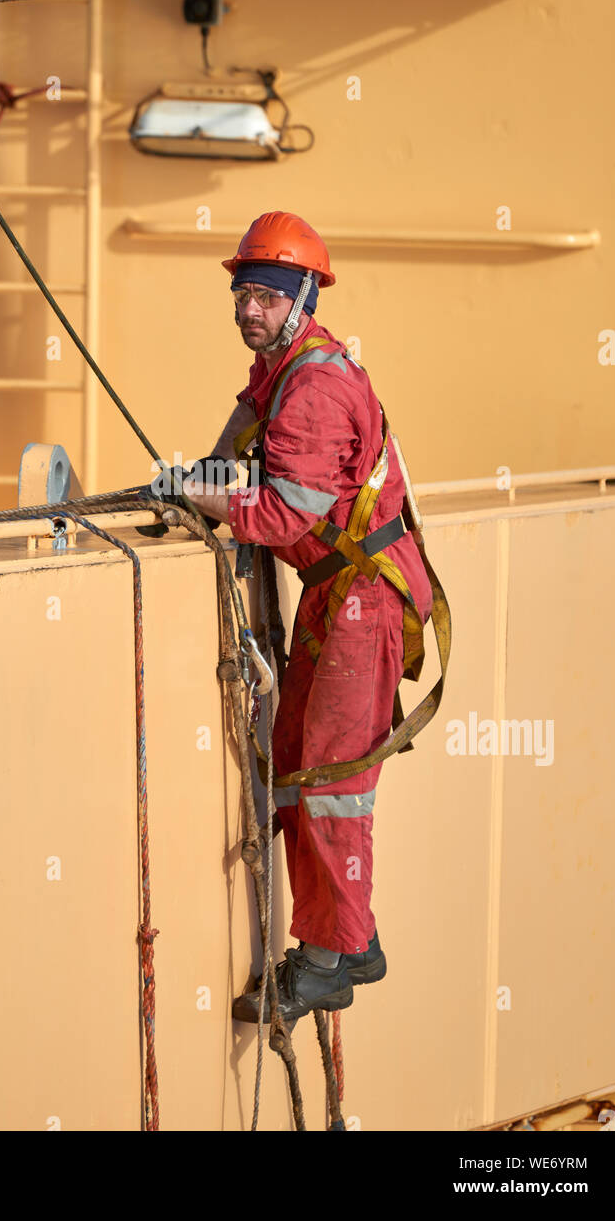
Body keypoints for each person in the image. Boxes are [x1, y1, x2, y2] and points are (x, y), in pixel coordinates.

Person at [181, 210, 434, 1023]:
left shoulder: (319, 386)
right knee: (299, 759)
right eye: (240, 292)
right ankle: (350, 939)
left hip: (363, 600)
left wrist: (190, 492)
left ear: (300, 300)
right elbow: (246, 419)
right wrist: (201, 471)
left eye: (263, 294)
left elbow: (286, 515)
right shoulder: (286, 364)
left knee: (329, 780)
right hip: (339, 593)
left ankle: (325, 963)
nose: (247, 309)